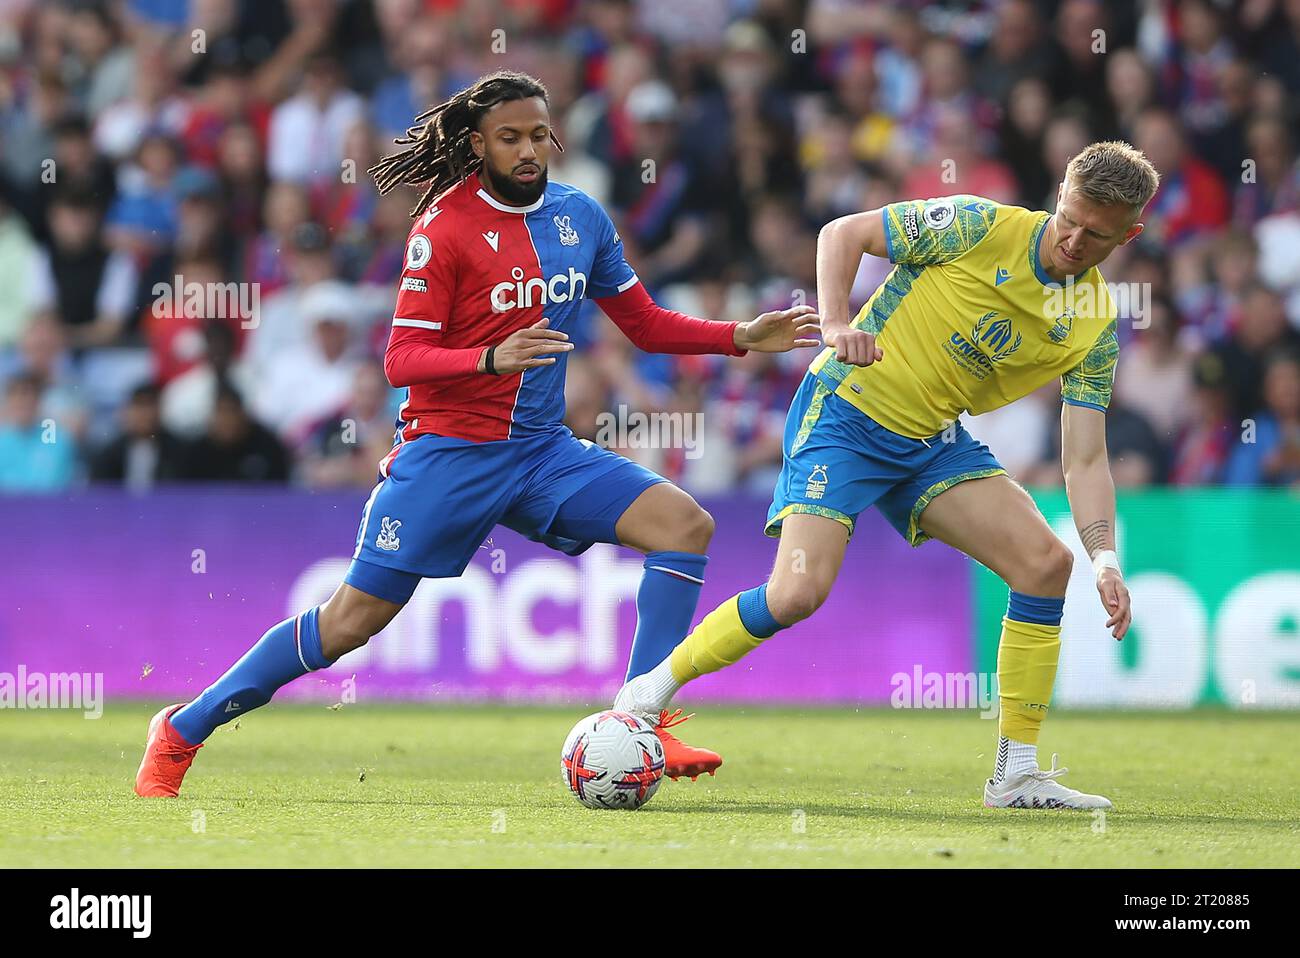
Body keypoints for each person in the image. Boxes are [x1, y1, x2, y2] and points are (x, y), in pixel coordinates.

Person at [135, 71, 819, 798]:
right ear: (476, 144)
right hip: (450, 455)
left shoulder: (580, 217)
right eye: (510, 137)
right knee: (347, 624)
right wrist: (490, 357)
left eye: (537, 135)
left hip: (540, 450)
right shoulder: (443, 230)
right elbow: (401, 359)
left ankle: (640, 723)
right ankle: (183, 728)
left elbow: (644, 323)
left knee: (684, 525)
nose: (529, 150)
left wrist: (739, 336)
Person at [617, 141, 1162, 810]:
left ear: (1129, 233)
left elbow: (1083, 458)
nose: (1075, 240)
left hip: (931, 441)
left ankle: (1015, 774)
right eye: (1069, 218)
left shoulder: (1094, 323)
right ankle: (644, 694)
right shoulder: (978, 225)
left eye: (1097, 234)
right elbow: (843, 232)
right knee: (795, 595)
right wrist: (838, 321)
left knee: (1047, 564)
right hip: (845, 413)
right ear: (1059, 192)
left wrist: (1104, 555)